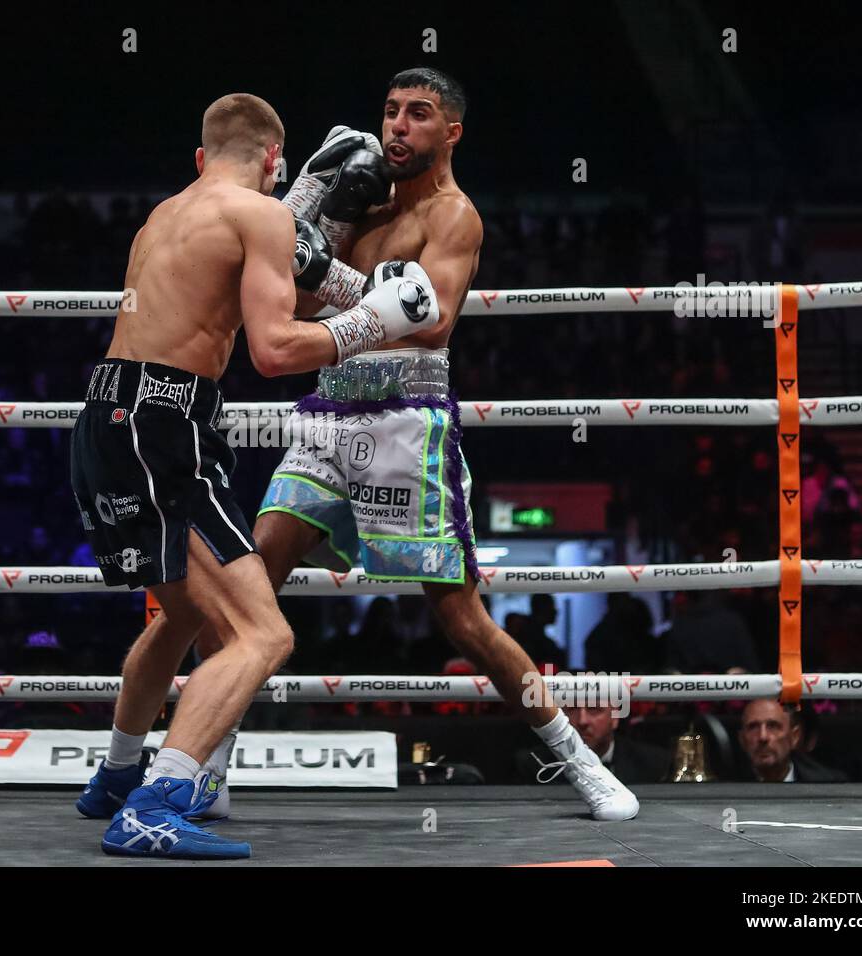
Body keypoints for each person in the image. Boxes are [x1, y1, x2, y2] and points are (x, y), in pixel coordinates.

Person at [81, 69, 638, 827]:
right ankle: (201, 771)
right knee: (246, 593)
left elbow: (432, 320)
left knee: (462, 619)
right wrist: (323, 220)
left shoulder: (455, 217)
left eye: (418, 114)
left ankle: (577, 756)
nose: (398, 127)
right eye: (390, 112)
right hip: (324, 420)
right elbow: (293, 303)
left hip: (406, 423)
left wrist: (337, 269)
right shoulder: (361, 201)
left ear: (452, 132)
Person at [70, 92, 442, 859]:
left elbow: (272, 271)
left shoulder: (168, 212)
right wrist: (379, 322)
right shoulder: (263, 216)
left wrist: (334, 255)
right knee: (261, 634)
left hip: (111, 417)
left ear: (204, 157)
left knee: (178, 614)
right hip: (163, 429)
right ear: (274, 160)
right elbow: (273, 350)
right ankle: (155, 800)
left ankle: (114, 774)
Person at [516, 704, 670, 786]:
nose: (582, 721)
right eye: (572, 709)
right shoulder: (532, 765)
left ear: (615, 717)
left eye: (594, 709)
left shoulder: (652, 763)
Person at [737, 699, 847, 783]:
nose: (763, 737)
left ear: (794, 736)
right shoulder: (724, 784)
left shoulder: (827, 784)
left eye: (773, 726)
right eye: (753, 727)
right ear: (742, 739)